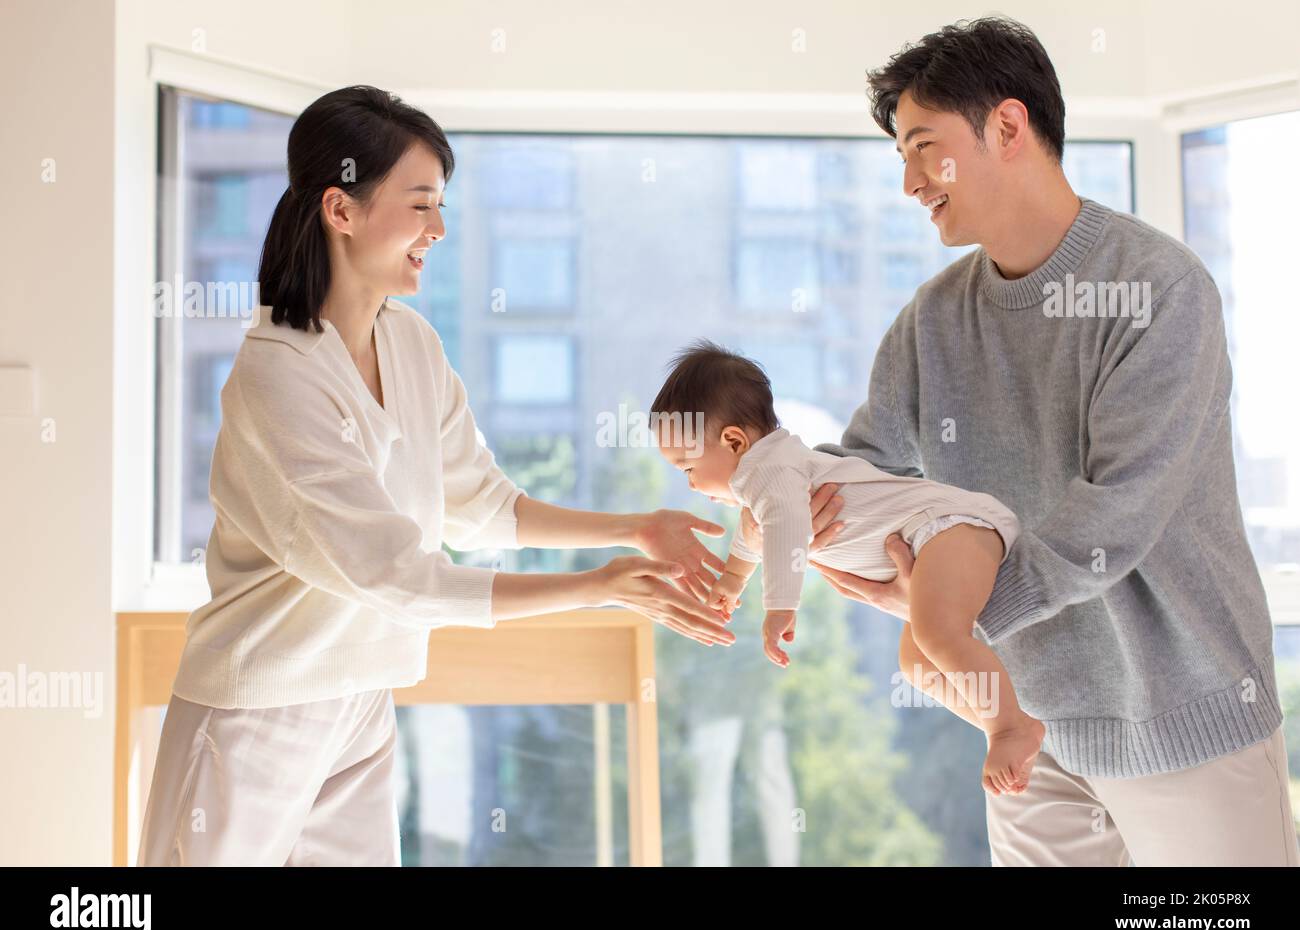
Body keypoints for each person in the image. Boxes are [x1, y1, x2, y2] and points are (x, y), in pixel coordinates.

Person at [138, 85, 734, 866]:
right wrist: (600, 584)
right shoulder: (276, 378)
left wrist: (633, 530)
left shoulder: (411, 343)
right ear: (340, 210)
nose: (439, 229)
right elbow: (397, 576)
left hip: (361, 699)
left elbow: (479, 504)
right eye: (420, 205)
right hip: (254, 713)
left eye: (442, 205)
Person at [787, 16, 1297, 865]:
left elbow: (1114, 516)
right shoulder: (933, 323)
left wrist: (951, 605)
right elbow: (864, 474)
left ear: (1009, 127)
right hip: (1029, 732)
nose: (910, 182)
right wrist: (788, 489)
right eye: (900, 158)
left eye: (923, 147)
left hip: (1187, 721)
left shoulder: (1158, 290)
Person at [651, 339, 1044, 796]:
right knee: (920, 664)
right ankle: (1009, 721)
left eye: (687, 467)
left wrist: (779, 607)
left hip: (945, 528)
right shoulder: (767, 480)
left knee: (939, 636)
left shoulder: (769, 474)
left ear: (734, 441)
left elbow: (783, 530)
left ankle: (1008, 728)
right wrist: (731, 581)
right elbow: (753, 536)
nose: (691, 483)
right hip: (928, 544)